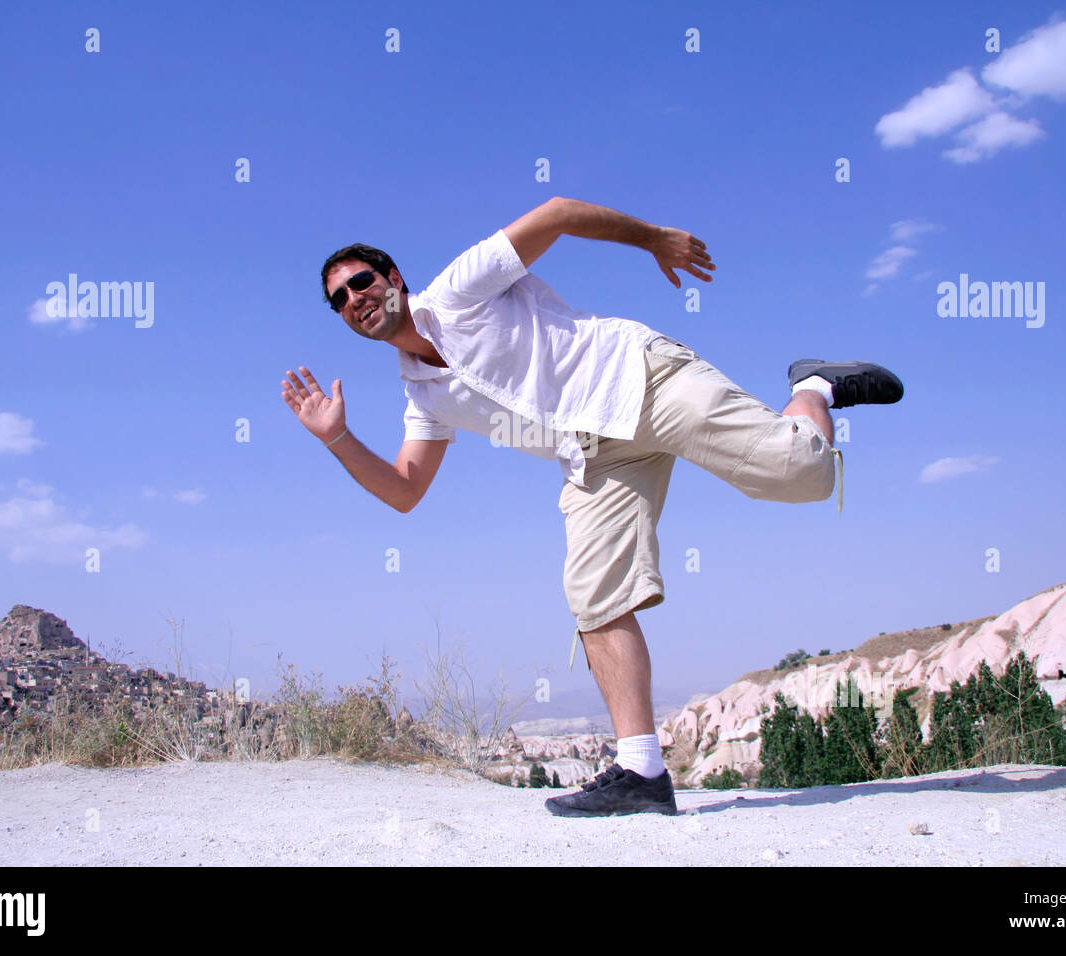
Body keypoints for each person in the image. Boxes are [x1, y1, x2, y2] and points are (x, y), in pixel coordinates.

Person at [281, 196, 903, 818]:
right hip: (593, 455)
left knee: (802, 473)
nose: (353, 300)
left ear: (393, 279)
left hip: (639, 380)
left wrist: (654, 237)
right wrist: (336, 437)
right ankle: (641, 772)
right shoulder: (422, 395)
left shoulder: (459, 289)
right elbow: (405, 490)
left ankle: (813, 384)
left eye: (360, 282)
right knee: (594, 594)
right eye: (337, 300)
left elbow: (556, 214)